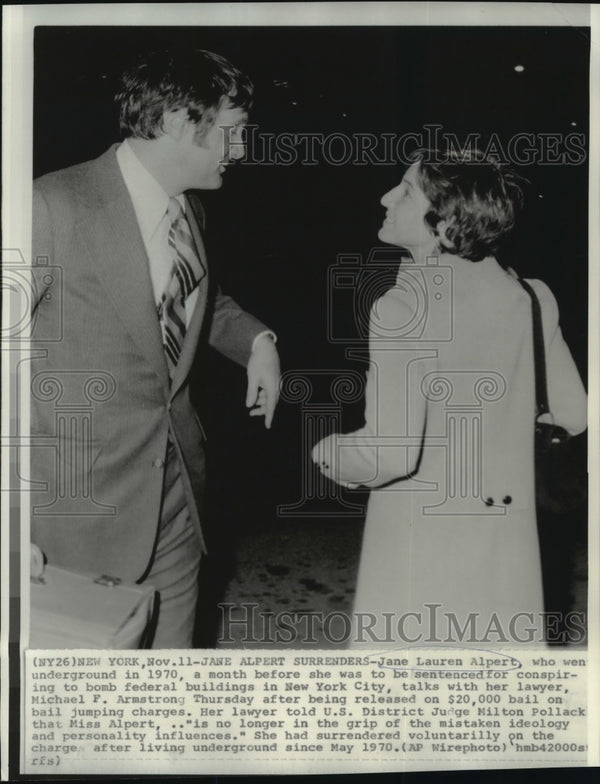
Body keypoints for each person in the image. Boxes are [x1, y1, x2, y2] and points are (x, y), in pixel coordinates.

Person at [30, 48, 281, 648]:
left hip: (176, 495)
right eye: (232, 131)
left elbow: (199, 299)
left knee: (165, 698)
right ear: (174, 122)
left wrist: (259, 341)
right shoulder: (51, 205)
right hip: (73, 512)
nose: (242, 149)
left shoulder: (187, 209)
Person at [312, 149, 587, 648]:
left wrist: (325, 451)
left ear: (444, 222)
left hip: (422, 556)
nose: (386, 197)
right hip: (507, 544)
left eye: (407, 191)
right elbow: (574, 412)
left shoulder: (403, 308)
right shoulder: (531, 297)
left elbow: (389, 454)